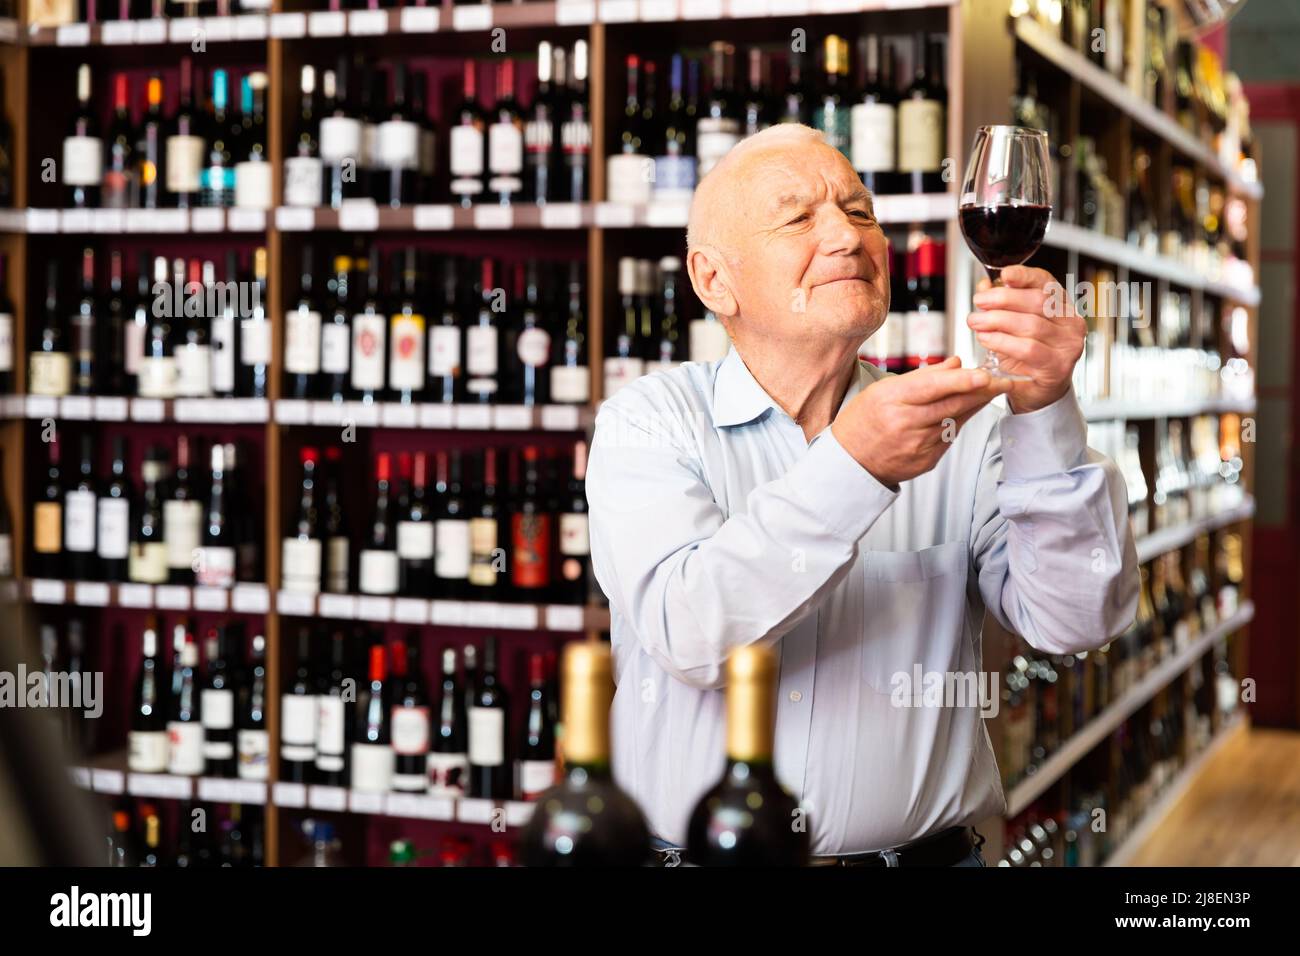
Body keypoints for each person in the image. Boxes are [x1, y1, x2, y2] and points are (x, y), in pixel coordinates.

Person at [586, 124, 1138, 866]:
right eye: (797, 216)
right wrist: (856, 468)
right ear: (714, 279)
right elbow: (691, 636)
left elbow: (1077, 620)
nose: (846, 237)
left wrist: (1043, 409)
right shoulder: (649, 423)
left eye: (860, 211)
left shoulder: (962, 431)